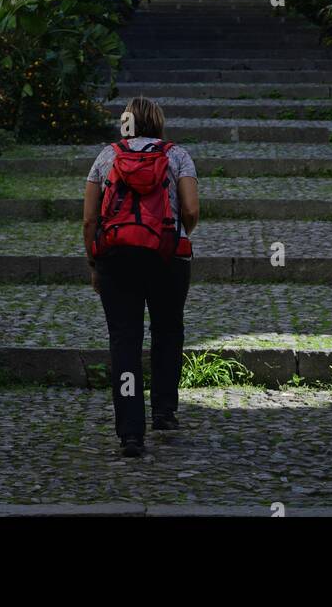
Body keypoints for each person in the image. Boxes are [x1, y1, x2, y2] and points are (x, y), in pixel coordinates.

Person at [83, 96, 200, 457]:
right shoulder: (177, 155)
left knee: (125, 342)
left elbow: (89, 219)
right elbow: (192, 209)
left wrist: (94, 262)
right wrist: (179, 232)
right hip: (168, 255)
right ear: (159, 122)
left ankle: (131, 433)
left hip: (117, 258)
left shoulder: (107, 156)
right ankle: (164, 411)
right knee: (168, 331)